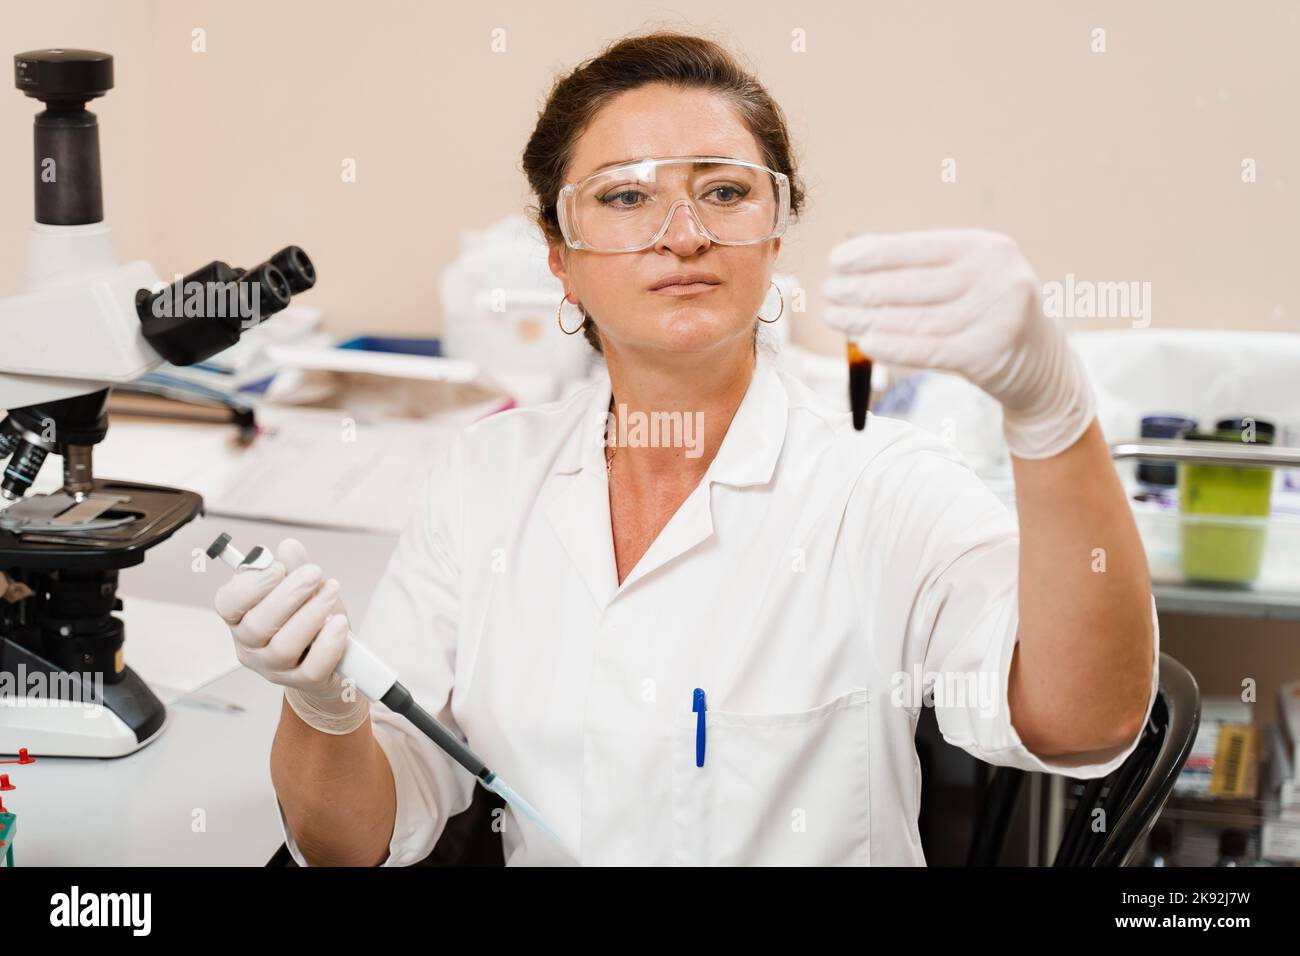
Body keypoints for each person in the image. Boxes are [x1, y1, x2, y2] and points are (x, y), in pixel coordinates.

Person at [214, 31, 1157, 866]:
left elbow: (1085, 724)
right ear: (560, 256)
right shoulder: (484, 482)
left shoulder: (879, 484)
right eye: (626, 196)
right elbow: (354, 844)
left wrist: (1049, 409)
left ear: (775, 234)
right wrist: (323, 706)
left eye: (726, 190)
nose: (685, 234)